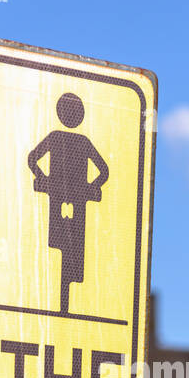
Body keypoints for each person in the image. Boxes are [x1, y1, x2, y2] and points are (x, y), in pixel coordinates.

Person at [26, 93, 109, 314]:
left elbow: (104, 171)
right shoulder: (64, 139)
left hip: (73, 200)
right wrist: (45, 179)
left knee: (71, 254)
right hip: (64, 198)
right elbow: (33, 158)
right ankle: (59, 303)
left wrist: (45, 178)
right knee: (58, 247)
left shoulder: (70, 140)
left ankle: (65, 305)